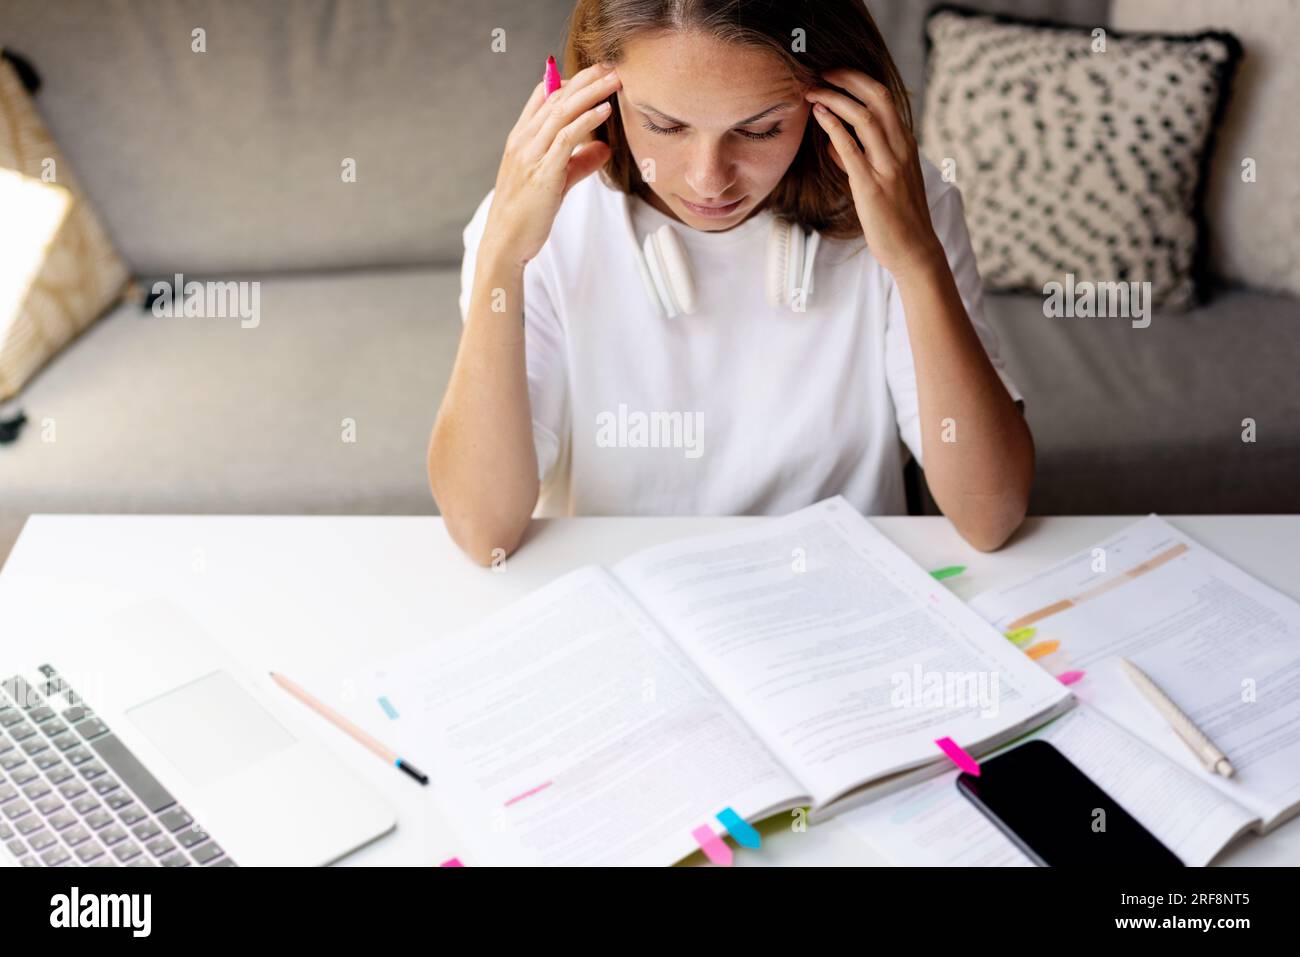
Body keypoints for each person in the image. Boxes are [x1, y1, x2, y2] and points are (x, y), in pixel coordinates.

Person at [429, 0, 1034, 565]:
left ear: (837, 100)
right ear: (599, 96)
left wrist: (917, 262)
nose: (709, 180)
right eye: (664, 126)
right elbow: (485, 534)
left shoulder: (899, 199)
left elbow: (991, 516)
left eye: (760, 129)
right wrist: (501, 257)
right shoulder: (550, 224)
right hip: (622, 589)